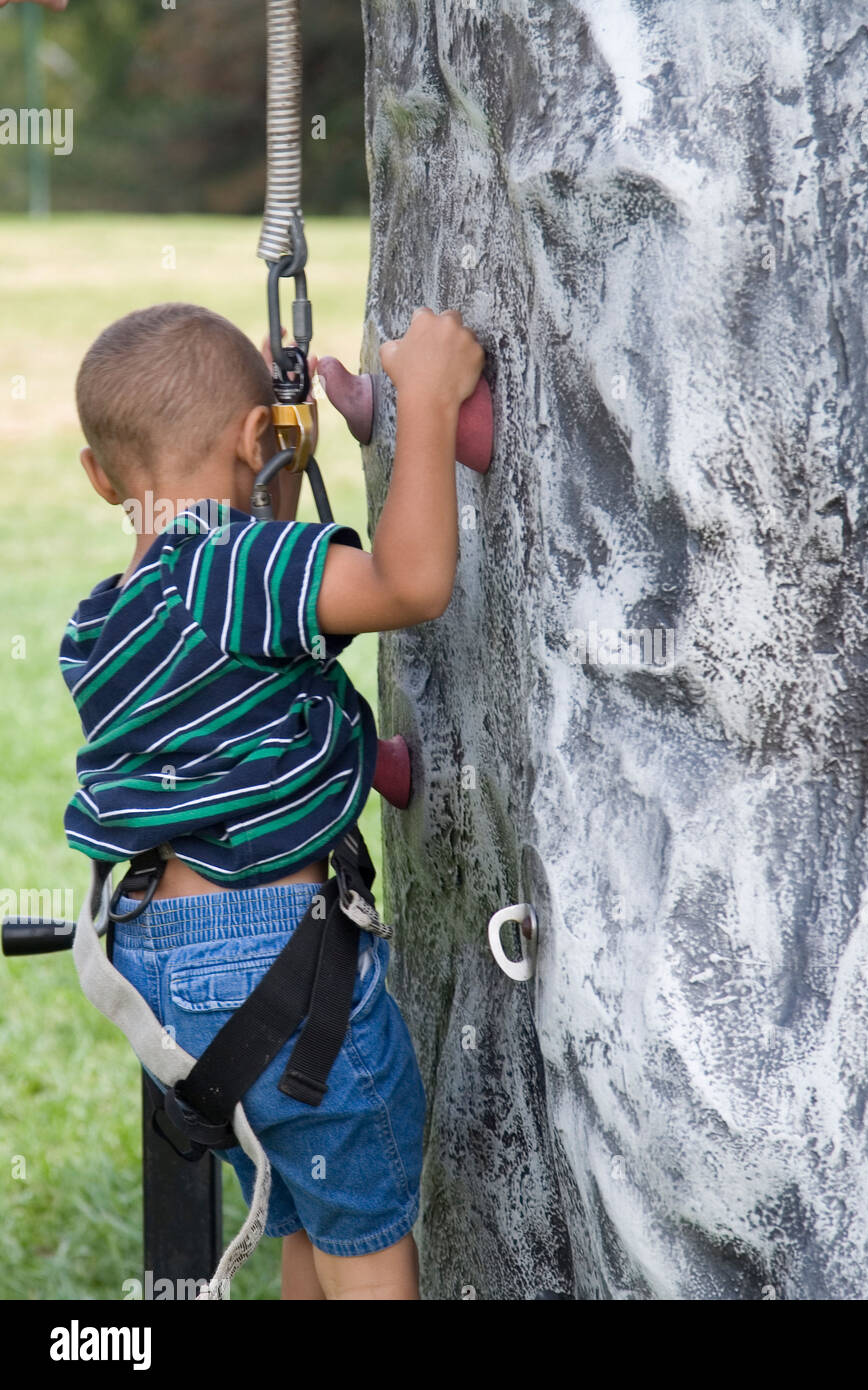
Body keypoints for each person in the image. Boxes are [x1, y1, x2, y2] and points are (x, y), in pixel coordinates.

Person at [61, 301, 484, 1299]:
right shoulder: (237, 567)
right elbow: (408, 582)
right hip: (278, 958)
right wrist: (422, 403)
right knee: (370, 1233)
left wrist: (270, 461)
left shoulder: (109, 621)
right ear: (260, 438)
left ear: (98, 476)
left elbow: (251, 649)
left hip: (169, 973)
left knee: (309, 1215)